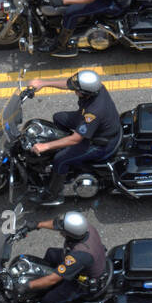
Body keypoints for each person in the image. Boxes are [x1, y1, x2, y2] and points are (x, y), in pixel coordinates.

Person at [25, 69, 123, 205]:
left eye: (77, 90)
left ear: (86, 93)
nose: (74, 91)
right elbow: (69, 84)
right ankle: (64, 147)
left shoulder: (94, 111)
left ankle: (52, 194)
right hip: (92, 124)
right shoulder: (96, 87)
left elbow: (76, 139)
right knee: (58, 118)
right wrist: (44, 83)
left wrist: (46, 146)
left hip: (101, 143)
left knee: (61, 159)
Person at [18, 211, 107, 303]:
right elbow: (57, 224)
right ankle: (40, 285)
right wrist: (37, 224)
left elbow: (53, 279)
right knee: (51, 253)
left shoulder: (79, 255)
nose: (60, 231)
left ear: (70, 235)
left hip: (83, 282)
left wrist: (28, 286)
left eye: (63, 231)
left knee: (48, 300)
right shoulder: (85, 228)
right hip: (90, 262)